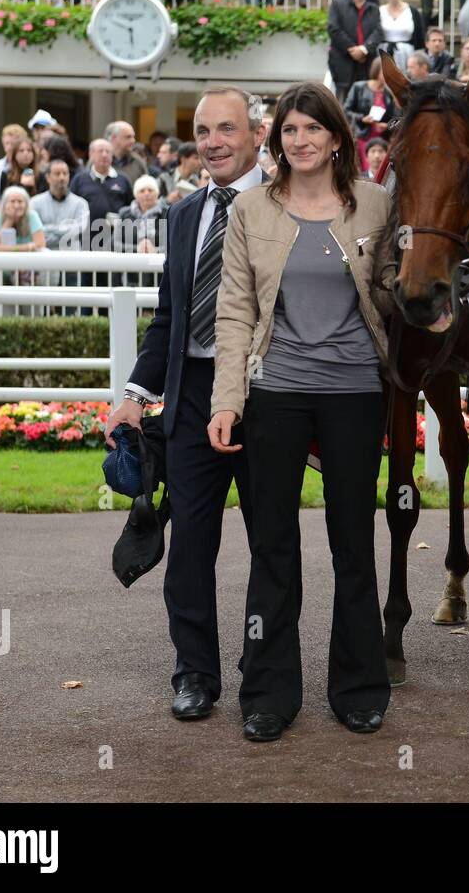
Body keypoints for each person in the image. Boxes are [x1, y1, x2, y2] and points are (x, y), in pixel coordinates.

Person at [207, 82, 393, 743]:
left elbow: (405, 289)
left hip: (356, 393)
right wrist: (227, 399)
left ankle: (360, 686)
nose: (302, 140)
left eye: (314, 129)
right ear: (275, 139)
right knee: (273, 546)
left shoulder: (376, 203)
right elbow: (236, 310)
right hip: (277, 391)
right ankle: (267, 690)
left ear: (337, 137)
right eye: (289, 130)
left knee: (353, 543)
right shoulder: (251, 209)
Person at [104, 85, 268, 726]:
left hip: (266, 392)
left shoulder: (286, 206)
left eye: (227, 129)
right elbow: (168, 320)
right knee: (193, 543)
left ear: (256, 134)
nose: (214, 142)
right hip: (194, 397)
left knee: (271, 541)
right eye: (204, 131)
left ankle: (263, 663)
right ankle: (195, 674)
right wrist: (133, 396)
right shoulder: (182, 214)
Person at [327, 0, 384, 101]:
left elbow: (378, 32)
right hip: (343, 62)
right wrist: (352, 49)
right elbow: (334, 29)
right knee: (342, 102)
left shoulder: (374, 8)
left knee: (366, 100)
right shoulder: (338, 4)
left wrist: (363, 50)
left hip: (367, 63)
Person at [32, 159, 90, 253]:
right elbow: (34, 231)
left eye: (65, 173)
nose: (62, 177)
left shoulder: (81, 204)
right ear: (48, 177)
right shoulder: (35, 202)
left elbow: (80, 229)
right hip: (43, 260)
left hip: (72, 260)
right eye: (57, 174)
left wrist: (47, 229)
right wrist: (66, 233)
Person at [70, 139, 132, 224]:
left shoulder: (123, 179)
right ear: (91, 154)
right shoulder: (79, 179)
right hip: (86, 235)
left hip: (117, 234)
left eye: (108, 151)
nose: (104, 155)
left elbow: (130, 208)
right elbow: (71, 207)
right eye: (100, 151)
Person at [344, 60, 397, 158]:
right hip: (362, 135)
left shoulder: (389, 93)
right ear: (376, 71)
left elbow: (396, 117)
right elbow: (346, 110)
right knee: (365, 167)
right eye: (385, 72)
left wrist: (387, 125)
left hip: (382, 139)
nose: (388, 75)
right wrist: (362, 118)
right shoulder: (358, 87)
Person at [379, 0, 427, 72]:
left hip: (407, 55)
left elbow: (420, 37)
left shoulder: (413, 12)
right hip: (384, 54)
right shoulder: (379, 11)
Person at [117, 175, 168, 254]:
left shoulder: (167, 213)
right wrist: (137, 249)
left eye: (150, 190)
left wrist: (156, 250)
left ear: (157, 194)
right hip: (130, 262)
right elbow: (114, 244)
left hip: (159, 262)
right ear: (136, 195)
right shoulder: (124, 213)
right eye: (142, 191)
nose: (146, 194)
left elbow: (174, 244)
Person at [0, 185, 45, 253]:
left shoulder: (32, 215)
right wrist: (10, 220)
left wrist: (9, 249)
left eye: (20, 201)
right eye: (12, 201)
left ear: (26, 204)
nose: (16, 206)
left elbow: (40, 244)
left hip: (29, 258)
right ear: (5, 204)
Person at [106, 121, 147, 187]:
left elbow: (146, 187)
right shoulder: (99, 160)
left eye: (133, 137)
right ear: (114, 138)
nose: (133, 141)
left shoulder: (138, 162)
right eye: (128, 137)